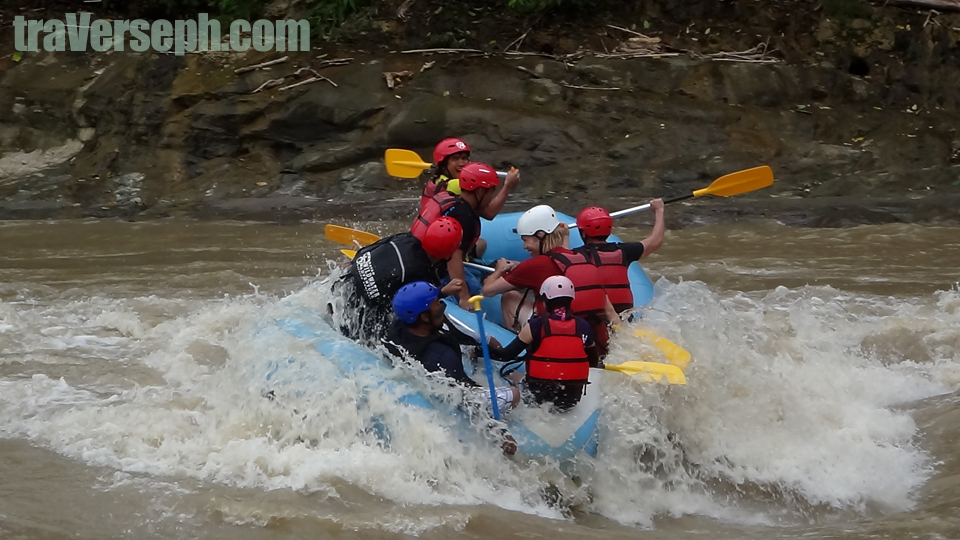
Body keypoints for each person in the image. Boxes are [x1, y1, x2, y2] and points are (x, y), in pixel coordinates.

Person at [385, 281, 520, 455]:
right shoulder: (441, 357)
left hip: (422, 371)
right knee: (514, 394)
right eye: (436, 304)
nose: (441, 305)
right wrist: (500, 432)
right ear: (425, 317)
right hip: (452, 390)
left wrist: (484, 340)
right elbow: (464, 398)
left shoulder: (400, 326)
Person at [481, 205, 619, 358]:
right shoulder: (583, 259)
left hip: (554, 339)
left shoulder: (534, 265)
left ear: (540, 235)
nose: (525, 246)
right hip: (592, 343)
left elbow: (488, 290)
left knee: (510, 296)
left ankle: (516, 342)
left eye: (526, 240)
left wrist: (499, 270)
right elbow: (610, 312)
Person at [332, 217, 464, 342]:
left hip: (341, 289)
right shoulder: (422, 273)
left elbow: (362, 253)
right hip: (360, 320)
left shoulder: (404, 238)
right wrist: (443, 292)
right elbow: (414, 305)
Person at [490, 276, 597, 411]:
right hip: (571, 400)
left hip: (538, 399)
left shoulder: (536, 325)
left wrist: (480, 350)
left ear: (545, 301)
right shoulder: (583, 326)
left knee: (511, 374)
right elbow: (593, 361)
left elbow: (506, 355)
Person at [412, 162, 499, 310]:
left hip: (419, 257)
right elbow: (454, 257)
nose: (491, 198)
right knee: (474, 287)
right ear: (479, 192)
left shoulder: (451, 198)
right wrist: (464, 297)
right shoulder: (464, 216)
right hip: (434, 270)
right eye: (491, 192)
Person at [573, 201, 665, 314]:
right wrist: (659, 210)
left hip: (595, 321)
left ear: (583, 233)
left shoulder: (575, 256)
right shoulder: (624, 251)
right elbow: (655, 241)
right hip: (623, 320)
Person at [421, 138, 521, 220]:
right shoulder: (455, 185)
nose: (462, 163)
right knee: (481, 244)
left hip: (437, 229)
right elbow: (489, 213)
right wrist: (508, 186)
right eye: (455, 158)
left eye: (464, 158)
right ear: (444, 165)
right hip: (441, 236)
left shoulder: (438, 180)